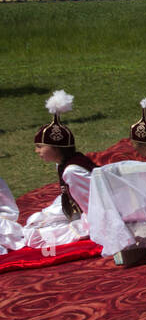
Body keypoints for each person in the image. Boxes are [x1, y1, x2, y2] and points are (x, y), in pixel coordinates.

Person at [25, 90, 98, 250]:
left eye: (40, 147)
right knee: (35, 222)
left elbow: (94, 200)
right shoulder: (63, 164)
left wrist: (83, 225)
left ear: (56, 148)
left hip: (94, 215)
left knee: (38, 237)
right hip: (76, 209)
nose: (37, 151)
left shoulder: (72, 170)